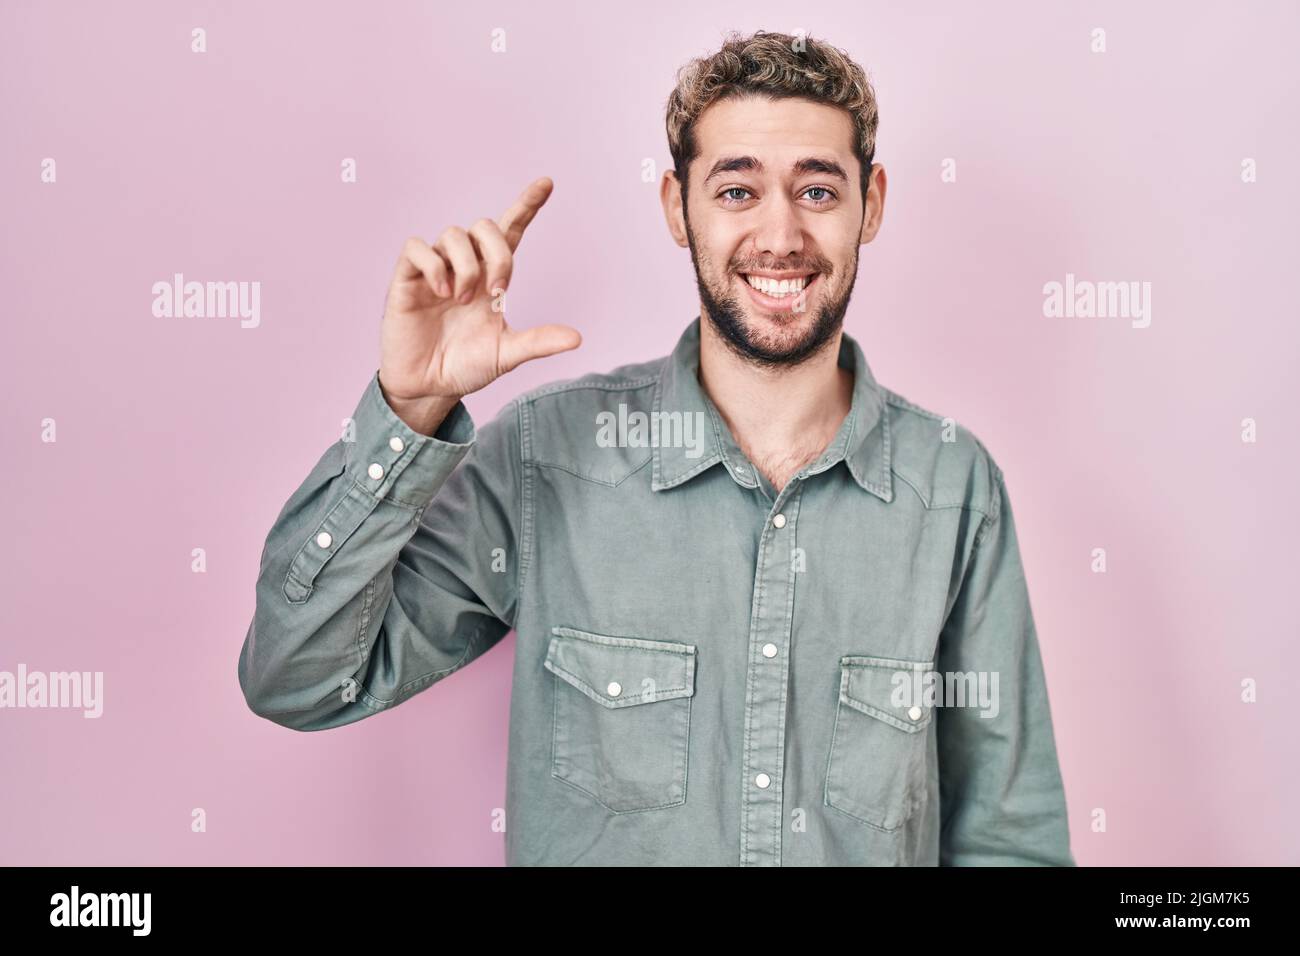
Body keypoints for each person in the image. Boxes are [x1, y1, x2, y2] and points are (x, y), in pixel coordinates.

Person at [238, 29, 1075, 866]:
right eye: (737, 189)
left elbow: (1009, 837)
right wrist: (410, 411)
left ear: (873, 203)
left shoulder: (955, 488)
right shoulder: (546, 460)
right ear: (679, 208)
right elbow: (299, 680)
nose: (779, 235)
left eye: (817, 190)